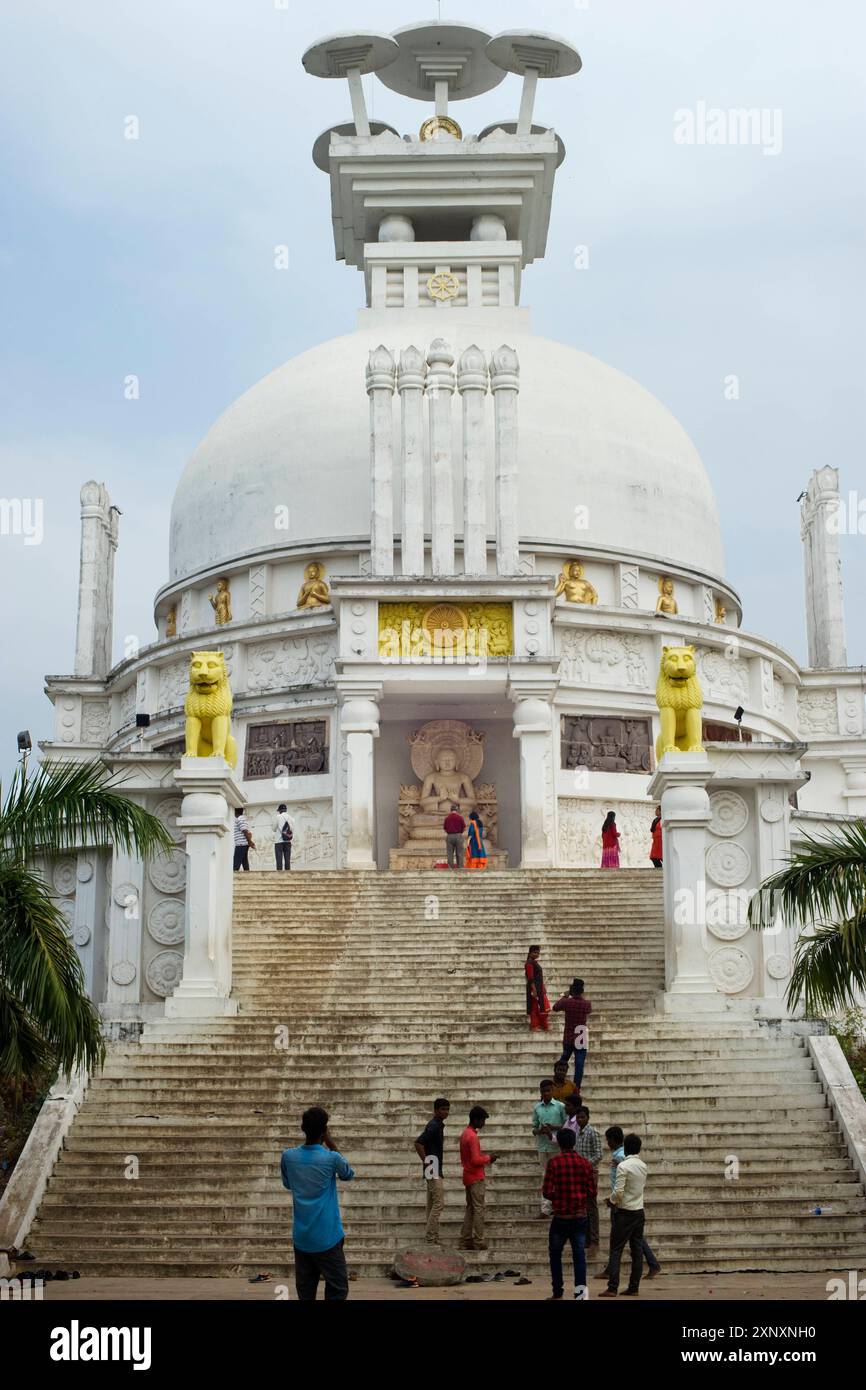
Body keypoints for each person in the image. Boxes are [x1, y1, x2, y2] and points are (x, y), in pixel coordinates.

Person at [280, 1105, 355, 1301]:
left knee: (306, 1291)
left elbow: (288, 1184)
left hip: (302, 1237)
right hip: (328, 1237)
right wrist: (331, 1144)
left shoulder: (288, 1156)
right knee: (338, 1289)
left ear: (303, 1128)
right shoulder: (332, 1158)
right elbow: (348, 1174)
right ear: (324, 1131)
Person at [599, 1126, 661, 1284]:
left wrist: (611, 1200)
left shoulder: (623, 1165)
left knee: (616, 1248)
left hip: (624, 1209)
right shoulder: (642, 1165)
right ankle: (634, 1286)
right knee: (637, 1248)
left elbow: (619, 1191)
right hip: (638, 1209)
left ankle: (612, 1285)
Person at [542, 1127, 597, 1300]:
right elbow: (592, 1192)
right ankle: (581, 1295)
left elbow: (546, 1191)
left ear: (559, 1143)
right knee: (579, 1257)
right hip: (579, 1217)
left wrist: (558, 1197)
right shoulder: (585, 1163)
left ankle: (557, 1292)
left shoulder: (554, 1163)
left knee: (555, 1255)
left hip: (561, 1217)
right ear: (574, 1142)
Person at [459, 1105, 498, 1250]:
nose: (484, 1123)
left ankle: (465, 1240)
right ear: (476, 1120)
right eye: (482, 1120)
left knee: (470, 1209)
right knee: (478, 1209)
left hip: (468, 1176)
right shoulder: (473, 1136)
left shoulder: (465, 1134)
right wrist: (489, 1157)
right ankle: (479, 1240)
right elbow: (475, 1160)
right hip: (476, 1177)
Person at [414, 1098, 450, 1246]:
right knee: (439, 1203)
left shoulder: (438, 1125)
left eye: (447, 1109)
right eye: (442, 1109)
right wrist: (426, 1160)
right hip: (432, 1166)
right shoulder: (434, 1125)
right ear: (436, 1110)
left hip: (433, 1166)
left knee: (432, 1203)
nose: (445, 1112)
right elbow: (418, 1143)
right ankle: (430, 1238)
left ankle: (433, 1237)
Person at [570, 1104, 603, 1252]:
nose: (580, 1119)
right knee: (583, 1206)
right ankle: (587, 1238)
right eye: (578, 1117)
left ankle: (594, 1239)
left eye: (582, 1117)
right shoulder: (577, 1133)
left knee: (591, 1206)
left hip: (590, 1172)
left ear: (588, 1118)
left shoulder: (593, 1132)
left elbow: (598, 1154)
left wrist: (585, 1164)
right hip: (578, 1173)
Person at [532, 1080, 567, 1217]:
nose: (546, 1093)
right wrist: (540, 1130)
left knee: (558, 1177)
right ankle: (545, 1209)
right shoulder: (537, 1108)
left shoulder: (560, 1106)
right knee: (545, 1177)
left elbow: (566, 1125)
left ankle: (558, 1206)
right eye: (544, 1091)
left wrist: (553, 1128)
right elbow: (533, 1129)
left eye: (548, 1091)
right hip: (543, 1146)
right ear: (540, 1092)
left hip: (556, 1145)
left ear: (552, 1091)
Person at [553, 978, 592, 1088]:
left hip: (569, 1035)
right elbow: (589, 1011)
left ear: (572, 990)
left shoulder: (567, 1002)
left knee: (564, 1058)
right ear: (582, 990)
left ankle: (557, 1078)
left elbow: (555, 1008)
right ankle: (576, 1088)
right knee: (579, 1065)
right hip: (581, 1035)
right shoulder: (586, 1004)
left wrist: (565, 995)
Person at [525, 945, 550, 1031]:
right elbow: (530, 978)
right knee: (534, 1007)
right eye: (535, 952)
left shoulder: (534, 962)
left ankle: (543, 1025)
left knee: (542, 1007)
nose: (537, 954)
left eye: (538, 953)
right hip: (534, 988)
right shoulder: (529, 963)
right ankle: (534, 1026)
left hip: (539, 987)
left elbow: (539, 977)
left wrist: (543, 987)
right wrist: (534, 990)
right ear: (530, 953)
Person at [443, 804, 466, 870]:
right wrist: (460, 832)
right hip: (458, 835)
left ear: (450, 810)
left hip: (449, 836)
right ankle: (460, 867)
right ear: (457, 810)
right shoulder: (460, 817)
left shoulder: (447, 818)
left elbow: (445, 828)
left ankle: (451, 868)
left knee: (449, 853)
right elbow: (464, 828)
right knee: (459, 852)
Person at [233, 807, 255, 871]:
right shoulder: (241, 819)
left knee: (236, 864)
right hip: (243, 844)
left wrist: (250, 842)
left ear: (235, 811)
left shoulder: (240, 819)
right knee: (244, 862)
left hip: (241, 844)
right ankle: (248, 876)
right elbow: (247, 832)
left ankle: (233, 879)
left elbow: (245, 831)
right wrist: (249, 842)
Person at [274, 803, 293, 871]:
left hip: (279, 841)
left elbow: (273, 828)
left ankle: (279, 876)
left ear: (280, 810)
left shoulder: (278, 817)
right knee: (287, 859)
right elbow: (292, 829)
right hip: (288, 841)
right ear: (285, 810)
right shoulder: (291, 818)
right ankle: (287, 875)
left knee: (279, 859)